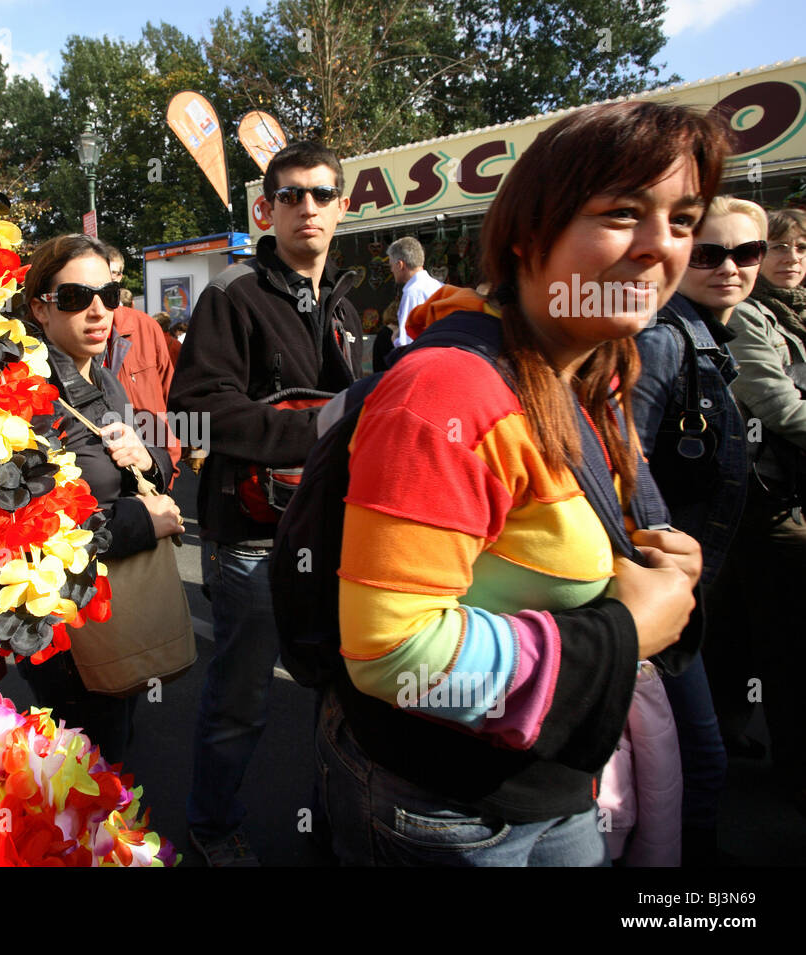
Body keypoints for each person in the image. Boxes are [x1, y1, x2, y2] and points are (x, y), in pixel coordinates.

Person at [319, 100, 723, 866]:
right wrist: (626, 632)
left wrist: (651, 566)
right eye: (623, 212)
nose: (657, 247)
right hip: (446, 809)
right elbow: (390, 654)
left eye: (682, 219)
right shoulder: (448, 392)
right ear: (528, 232)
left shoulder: (596, 372)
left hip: (553, 786)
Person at [168, 141, 363, 865]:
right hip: (251, 538)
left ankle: (336, 827)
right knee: (240, 703)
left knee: (340, 699)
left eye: (321, 194)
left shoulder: (342, 297)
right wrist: (314, 423)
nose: (307, 207)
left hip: (337, 534)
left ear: (342, 206)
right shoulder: (233, 292)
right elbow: (193, 410)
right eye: (291, 196)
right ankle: (212, 829)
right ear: (266, 210)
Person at [632, 195, 765, 865]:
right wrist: (665, 564)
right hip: (665, 584)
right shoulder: (663, 336)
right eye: (710, 253)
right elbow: (622, 458)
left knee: (685, 753)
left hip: (694, 580)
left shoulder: (714, 334)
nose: (731, 268)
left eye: (747, 253)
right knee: (698, 757)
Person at [17, 234, 183, 764]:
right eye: (74, 298)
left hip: (117, 606)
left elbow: (129, 469)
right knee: (90, 766)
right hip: (68, 628)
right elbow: (32, 532)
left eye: (109, 296)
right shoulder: (29, 398)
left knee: (117, 748)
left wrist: (149, 458)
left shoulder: (105, 380)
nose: (97, 310)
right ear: (40, 310)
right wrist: (142, 521)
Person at [714, 207, 806, 811]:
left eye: (800, 247)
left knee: (741, 633)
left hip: (778, 494)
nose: (789, 258)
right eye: (774, 248)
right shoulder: (750, 315)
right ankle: (790, 768)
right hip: (765, 502)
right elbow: (774, 402)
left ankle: (730, 737)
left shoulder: (794, 316)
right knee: (785, 641)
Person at [102, 245, 179, 471]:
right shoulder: (76, 330)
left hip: (152, 459)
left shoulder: (145, 326)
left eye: (114, 273)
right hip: (104, 465)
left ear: (120, 277)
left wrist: (169, 461)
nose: (108, 279)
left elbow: (170, 391)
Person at [388, 236, 442, 347]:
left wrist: (395, 340)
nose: (391, 270)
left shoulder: (413, 292)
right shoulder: (437, 285)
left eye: (391, 265)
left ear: (400, 265)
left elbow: (407, 342)